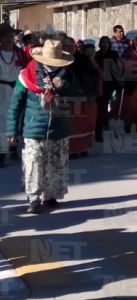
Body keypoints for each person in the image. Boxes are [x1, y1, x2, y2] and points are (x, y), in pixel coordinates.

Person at [7, 39, 78, 213]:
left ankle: (51, 195)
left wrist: (64, 87)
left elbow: (78, 94)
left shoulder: (67, 75)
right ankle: (33, 198)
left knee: (55, 163)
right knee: (33, 163)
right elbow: (15, 104)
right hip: (33, 128)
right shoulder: (26, 76)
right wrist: (12, 130)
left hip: (58, 128)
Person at [0, 23, 30, 166]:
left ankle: (13, 148)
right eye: (5, 36)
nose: (8, 39)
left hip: (16, 89)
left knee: (16, 119)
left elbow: (27, 70)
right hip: (1, 90)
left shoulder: (20, 54)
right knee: (1, 121)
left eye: (10, 36)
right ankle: (1, 152)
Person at [94, 36, 120, 142]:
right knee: (100, 108)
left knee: (108, 107)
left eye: (106, 42)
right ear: (100, 44)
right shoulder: (97, 55)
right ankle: (99, 130)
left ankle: (105, 122)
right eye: (103, 42)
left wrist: (119, 82)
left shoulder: (113, 54)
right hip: (100, 84)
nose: (105, 44)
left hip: (110, 83)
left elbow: (117, 69)